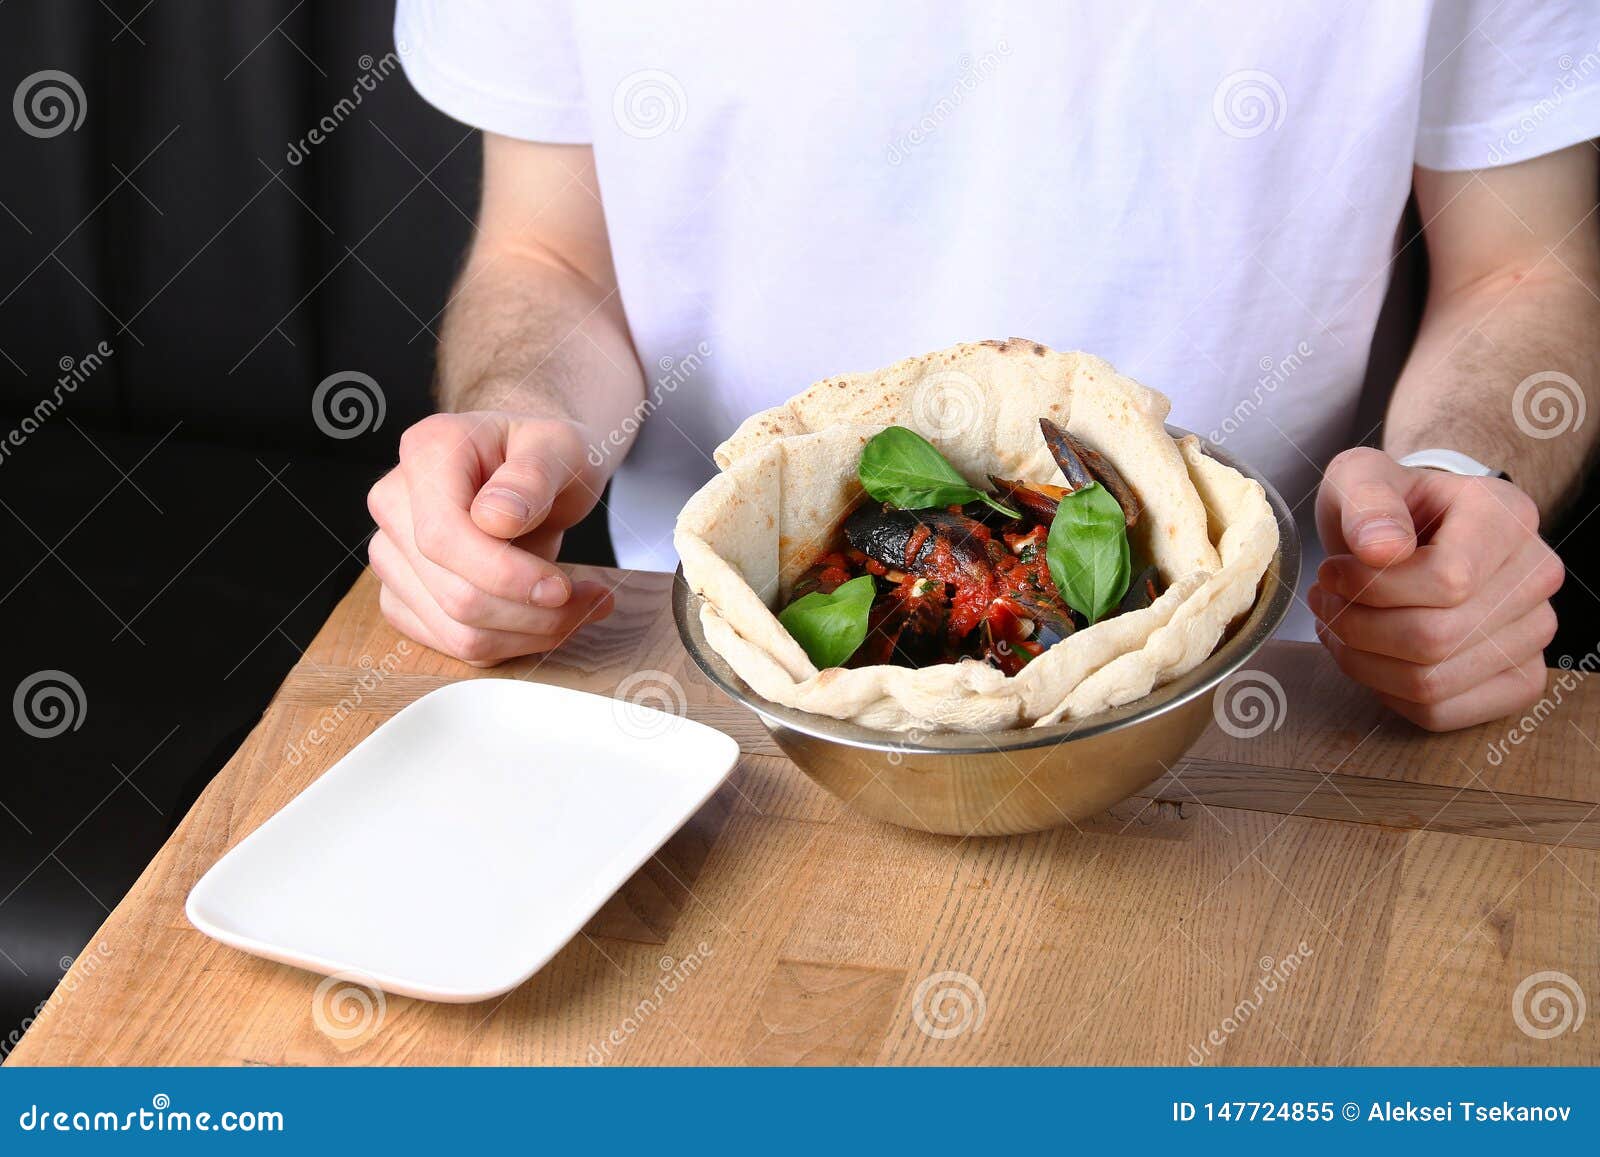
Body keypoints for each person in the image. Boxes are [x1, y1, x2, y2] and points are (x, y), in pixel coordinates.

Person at [369, 1, 1600, 731]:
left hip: (1275, 688)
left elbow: (1523, 274)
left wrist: (1453, 488)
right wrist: (522, 427)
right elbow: (549, 255)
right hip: (690, 676)